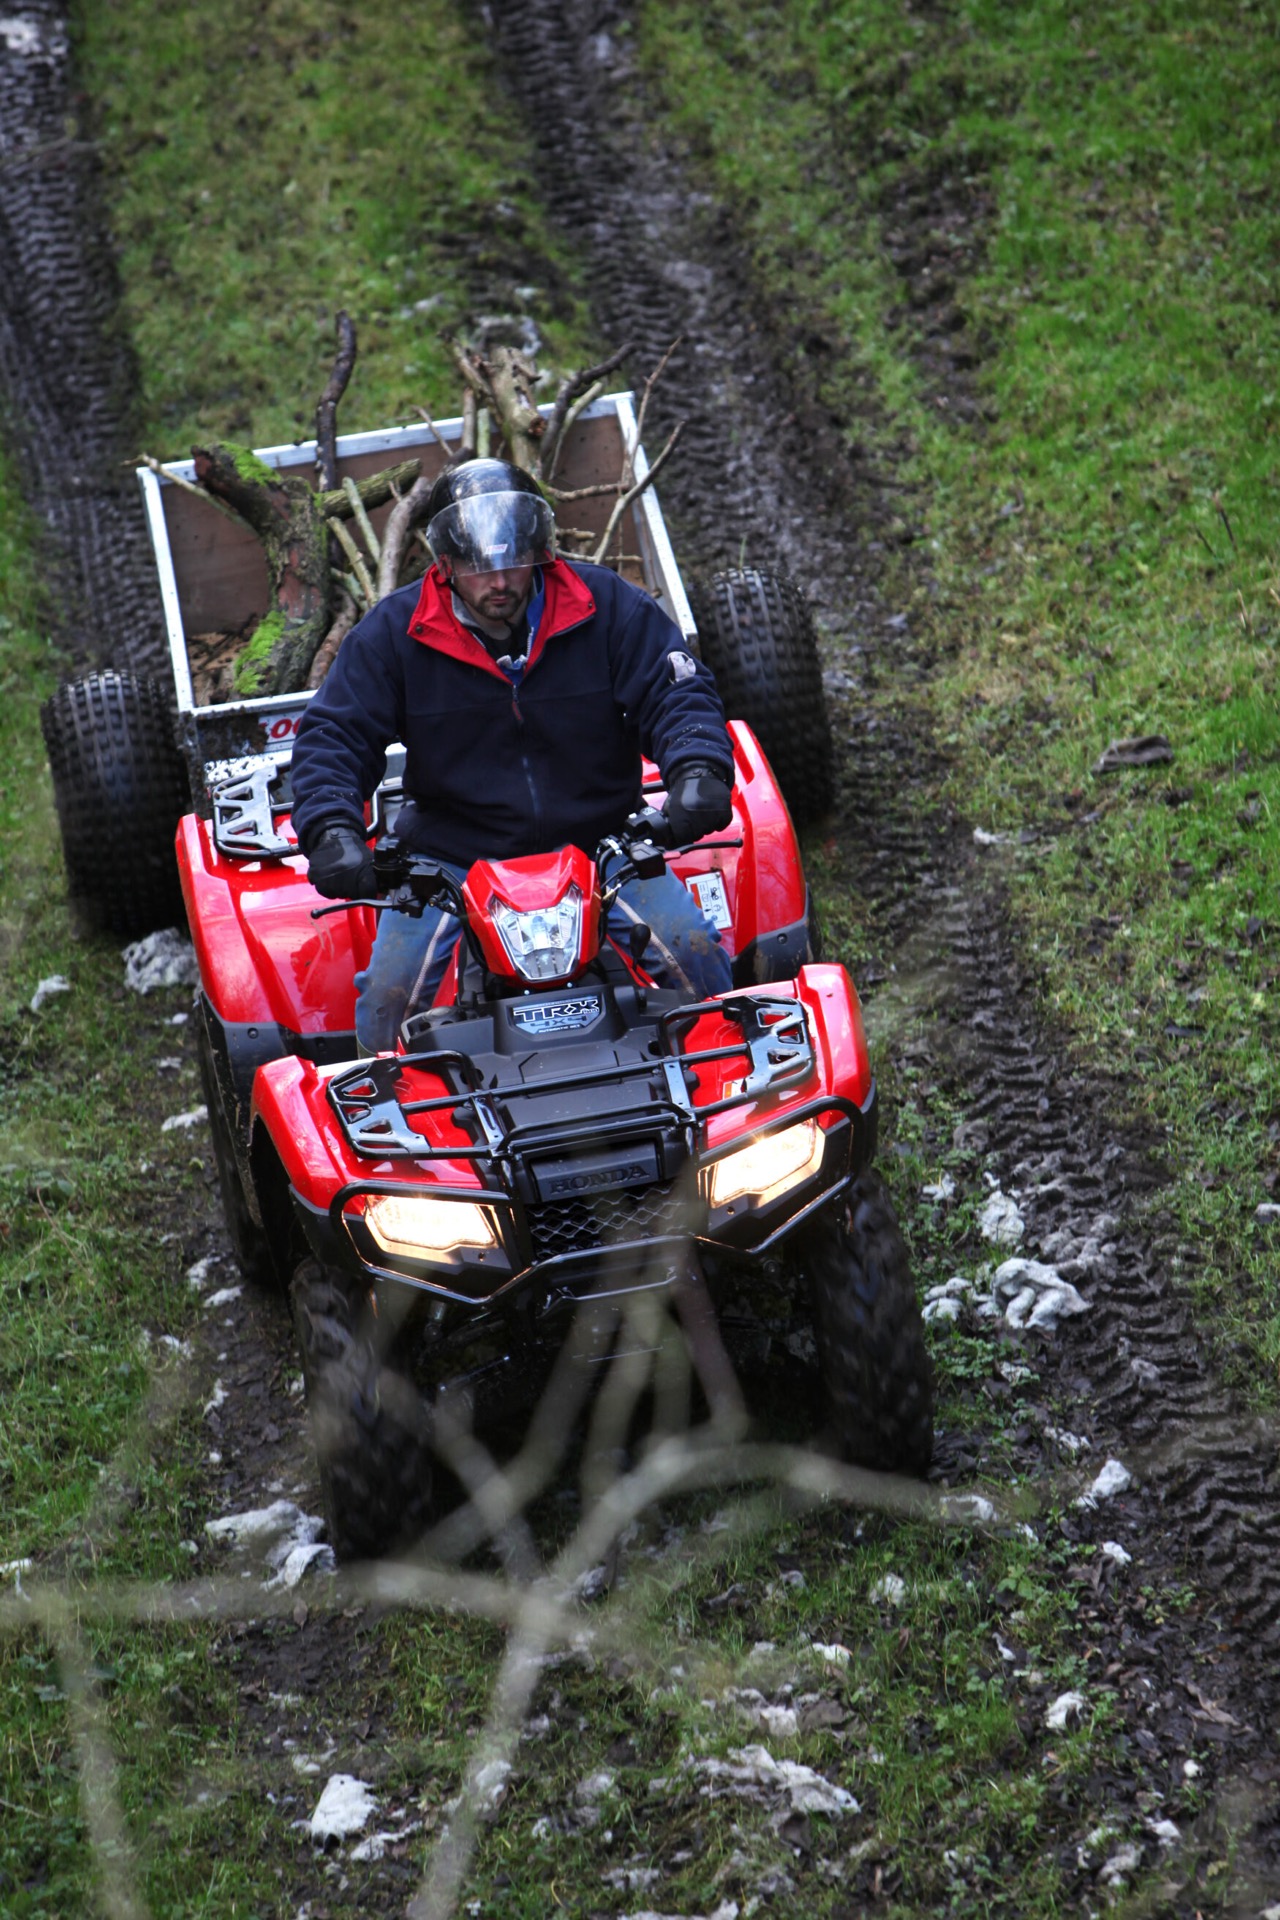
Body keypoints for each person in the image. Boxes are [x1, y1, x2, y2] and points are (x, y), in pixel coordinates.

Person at [289, 456, 736, 1050]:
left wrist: (698, 767)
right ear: (445, 565)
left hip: (602, 844)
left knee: (697, 957)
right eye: (478, 567)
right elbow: (333, 736)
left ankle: (732, 1108)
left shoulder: (604, 604)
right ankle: (399, 1141)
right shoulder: (393, 634)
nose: (498, 582)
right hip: (451, 859)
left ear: (539, 553)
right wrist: (331, 828)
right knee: (386, 1002)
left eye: (512, 563)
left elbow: (676, 688)